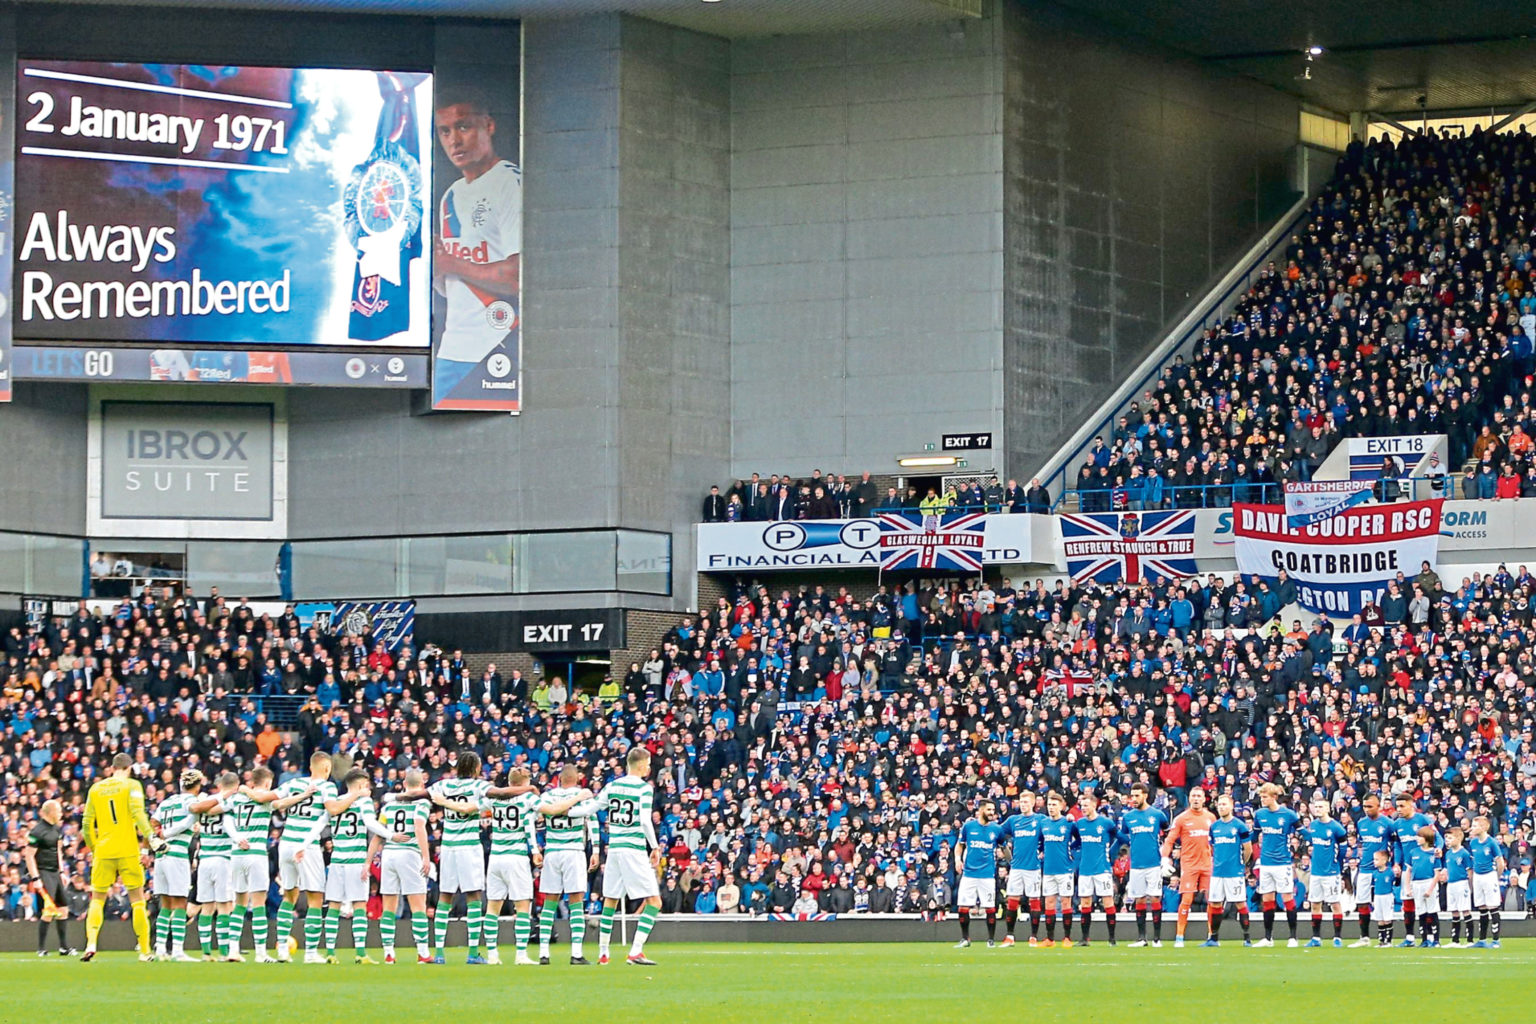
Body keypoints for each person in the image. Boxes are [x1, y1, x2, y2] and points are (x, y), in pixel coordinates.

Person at [431, 87, 522, 406]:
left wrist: (453, 265)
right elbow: (449, 283)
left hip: (496, 348)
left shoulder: (508, 182)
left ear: (489, 126)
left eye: (463, 127)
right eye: (444, 131)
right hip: (451, 350)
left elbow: (521, 276)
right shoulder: (451, 195)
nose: (454, 140)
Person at [274, 751, 362, 964]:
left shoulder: (295, 783)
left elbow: (276, 803)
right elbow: (332, 809)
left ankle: (282, 950)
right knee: (315, 898)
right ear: (326, 768)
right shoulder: (327, 786)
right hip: (306, 846)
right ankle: (311, 953)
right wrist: (354, 795)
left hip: (285, 842)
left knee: (289, 896)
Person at [80, 753, 159, 962]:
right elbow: (138, 814)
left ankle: (91, 943)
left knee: (97, 899)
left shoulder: (96, 789)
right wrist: (150, 838)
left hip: (104, 850)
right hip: (128, 849)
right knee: (138, 901)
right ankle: (144, 950)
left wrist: (94, 848)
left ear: (112, 768)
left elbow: (87, 825)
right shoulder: (132, 785)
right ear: (129, 768)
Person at [224, 766, 306, 963]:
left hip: (237, 854)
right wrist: (303, 795)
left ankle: (233, 949)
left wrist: (236, 838)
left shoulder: (236, 798)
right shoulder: (267, 799)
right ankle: (261, 952)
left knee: (240, 903)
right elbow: (284, 802)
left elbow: (225, 818)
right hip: (257, 853)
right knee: (259, 903)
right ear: (268, 783)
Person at [596, 746, 665, 965]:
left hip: (614, 848)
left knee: (610, 900)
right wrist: (654, 846)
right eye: (649, 763)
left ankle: (603, 953)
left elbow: (595, 805)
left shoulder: (612, 785)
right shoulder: (644, 788)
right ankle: (635, 951)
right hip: (633, 848)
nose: (650, 767)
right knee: (654, 901)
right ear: (642, 764)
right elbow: (645, 819)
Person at [428, 752, 493, 964]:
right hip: (468, 846)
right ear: (475, 768)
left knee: (445, 897)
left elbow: (421, 794)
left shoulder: (443, 786)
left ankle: (439, 953)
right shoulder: (479, 786)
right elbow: (497, 794)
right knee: (473, 897)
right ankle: (473, 953)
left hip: (447, 847)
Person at [323, 769, 394, 964]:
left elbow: (323, 825)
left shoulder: (336, 801)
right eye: (367, 784)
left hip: (337, 860)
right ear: (361, 784)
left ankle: (330, 952)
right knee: (359, 906)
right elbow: (371, 823)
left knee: (334, 906)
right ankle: (361, 953)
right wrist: (391, 835)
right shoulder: (363, 801)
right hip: (355, 861)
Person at [536, 765, 600, 965]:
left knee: (549, 903)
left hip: (553, 850)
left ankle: (544, 953)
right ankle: (576, 953)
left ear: (559, 779)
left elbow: (538, 817)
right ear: (577, 779)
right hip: (573, 851)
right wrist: (596, 850)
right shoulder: (583, 795)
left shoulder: (547, 797)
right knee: (576, 902)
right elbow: (592, 821)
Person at [480, 767, 543, 964]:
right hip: (516, 857)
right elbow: (536, 817)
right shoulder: (528, 799)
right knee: (522, 905)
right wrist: (534, 851)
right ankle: (521, 954)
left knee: (493, 906)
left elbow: (478, 808)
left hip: (496, 857)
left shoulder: (494, 799)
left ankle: (492, 954)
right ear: (525, 783)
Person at [372, 771, 434, 964]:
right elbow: (419, 826)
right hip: (409, 853)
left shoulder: (389, 805)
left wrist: (368, 861)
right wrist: (426, 856)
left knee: (389, 906)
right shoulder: (422, 802)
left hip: (389, 854)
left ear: (405, 783)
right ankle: (423, 953)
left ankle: (389, 953)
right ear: (422, 784)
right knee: (418, 906)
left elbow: (378, 834)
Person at [186, 772, 239, 961]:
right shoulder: (230, 803)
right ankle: (224, 952)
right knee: (224, 906)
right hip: (223, 858)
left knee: (207, 907)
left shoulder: (206, 801)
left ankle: (206, 952)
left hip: (204, 861)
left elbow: (201, 812)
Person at [150, 770, 201, 961]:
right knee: (180, 904)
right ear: (197, 786)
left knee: (166, 904)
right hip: (177, 855)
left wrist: (156, 835)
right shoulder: (190, 803)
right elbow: (191, 818)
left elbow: (153, 822)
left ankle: (161, 949)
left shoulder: (167, 802)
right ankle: (178, 950)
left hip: (161, 856)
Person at [1251, 782, 1300, 947]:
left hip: (1282, 863)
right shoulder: (1259, 814)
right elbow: (1254, 836)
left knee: (1287, 898)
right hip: (1265, 863)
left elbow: (1302, 832)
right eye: (1261, 797)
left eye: (1265, 797)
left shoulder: (1288, 814)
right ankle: (1268, 938)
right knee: (1267, 900)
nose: (1262, 800)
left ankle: (1293, 937)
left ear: (1274, 797)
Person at [1159, 784, 1208, 947]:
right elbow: (1170, 840)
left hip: (1207, 864)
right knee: (1186, 899)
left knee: (1212, 900)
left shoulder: (1211, 818)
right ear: (1189, 799)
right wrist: (1165, 858)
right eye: (1193, 796)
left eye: (1198, 796)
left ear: (1204, 799)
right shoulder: (1181, 818)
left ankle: (1211, 936)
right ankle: (1179, 937)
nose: (1196, 799)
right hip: (1189, 865)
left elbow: (1215, 842)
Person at [953, 799, 1004, 948]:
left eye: (993, 810)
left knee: (990, 908)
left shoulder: (996, 829)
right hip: (969, 874)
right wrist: (957, 860)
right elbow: (959, 845)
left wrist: (1011, 861)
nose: (992, 813)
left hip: (987, 875)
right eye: (989, 810)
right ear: (981, 810)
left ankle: (991, 940)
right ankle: (965, 938)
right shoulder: (968, 827)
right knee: (963, 907)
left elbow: (1004, 846)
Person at [997, 789, 1045, 946]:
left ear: (1032, 803)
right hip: (1016, 867)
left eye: (1025, 802)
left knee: (1034, 901)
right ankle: (1010, 936)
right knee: (1012, 901)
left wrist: (1043, 851)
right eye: (1020, 802)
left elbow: (1051, 835)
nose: (1023, 805)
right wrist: (1004, 846)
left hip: (1033, 867)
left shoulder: (1040, 820)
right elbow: (998, 832)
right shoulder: (1013, 820)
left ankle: (1033, 937)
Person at [25, 799, 72, 956]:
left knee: (63, 909)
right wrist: (36, 878)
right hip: (44, 872)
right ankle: (41, 948)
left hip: (55, 873)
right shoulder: (37, 832)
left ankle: (64, 947)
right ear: (50, 812)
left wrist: (61, 872)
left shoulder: (56, 830)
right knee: (48, 910)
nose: (60, 814)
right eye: (58, 811)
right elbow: (29, 856)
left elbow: (58, 851)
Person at [1071, 791, 1118, 946]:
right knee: (1085, 903)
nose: (1083, 808)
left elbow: (1117, 837)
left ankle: (1111, 938)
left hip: (1102, 869)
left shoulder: (1106, 823)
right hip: (1085, 870)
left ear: (1094, 805)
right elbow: (1077, 841)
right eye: (1081, 805)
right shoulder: (1080, 824)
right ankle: (1085, 938)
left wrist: (1111, 853)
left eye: (1086, 805)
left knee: (1108, 902)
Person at [1204, 793, 1252, 946]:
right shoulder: (1214, 827)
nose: (1221, 807)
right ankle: (1214, 938)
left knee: (1240, 903)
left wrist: (1241, 864)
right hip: (1218, 872)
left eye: (1224, 804)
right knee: (1216, 904)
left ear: (1231, 806)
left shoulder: (1239, 826)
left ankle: (1247, 938)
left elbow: (1248, 849)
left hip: (1234, 873)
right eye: (1219, 804)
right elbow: (1212, 848)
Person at [1392, 793, 1438, 948]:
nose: (1399, 809)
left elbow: (1438, 837)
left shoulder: (1423, 819)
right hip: (1408, 868)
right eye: (1397, 806)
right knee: (1408, 903)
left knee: (1427, 904)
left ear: (1411, 805)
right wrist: (1397, 863)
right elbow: (1397, 845)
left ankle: (1431, 937)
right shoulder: (1397, 823)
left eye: (1402, 806)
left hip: (1426, 869)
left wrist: (1438, 850)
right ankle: (1410, 937)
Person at [1350, 793, 1395, 946]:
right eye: (1365, 806)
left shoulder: (1388, 823)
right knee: (1362, 902)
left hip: (1381, 870)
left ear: (1378, 806)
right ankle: (1365, 937)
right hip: (1364, 869)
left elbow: (1394, 844)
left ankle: (1385, 939)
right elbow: (1362, 844)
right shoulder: (1361, 823)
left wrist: (1394, 863)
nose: (1367, 809)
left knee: (1382, 902)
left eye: (1370, 806)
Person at [1302, 798, 1347, 947]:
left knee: (1335, 903)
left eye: (1321, 807)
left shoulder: (1336, 828)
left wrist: (1336, 864)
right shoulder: (1313, 825)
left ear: (1328, 808)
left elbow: (1343, 850)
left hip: (1331, 873)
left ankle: (1338, 937)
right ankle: (1316, 938)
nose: (1318, 809)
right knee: (1315, 903)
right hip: (1316, 872)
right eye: (1316, 807)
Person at [1039, 791, 1076, 947]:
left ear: (1061, 806)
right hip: (1048, 870)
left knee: (1066, 903)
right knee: (1049, 904)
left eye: (1054, 805)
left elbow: (1079, 840)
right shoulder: (1044, 823)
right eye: (1049, 805)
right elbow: (1040, 841)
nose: (1051, 808)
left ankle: (1067, 937)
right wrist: (1040, 851)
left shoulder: (1068, 823)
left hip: (1064, 870)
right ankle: (1050, 939)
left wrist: (1070, 852)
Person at [1467, 815, 1506, 948]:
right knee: (1481, 907)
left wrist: (1496, 876)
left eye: (1475, 826)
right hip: (1478, 876)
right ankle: (1482, 939)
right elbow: (1473, 861)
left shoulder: (1491, 842)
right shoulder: (1473, 843)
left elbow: (1500, 862)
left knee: (1492, 906)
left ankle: (1496, 940)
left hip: (1489, 875)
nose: (1472, 828)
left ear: (1484, 827)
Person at [1405, 825, 1445, 947]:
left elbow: (1437, 873)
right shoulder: (1413, 852)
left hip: (1429, 882)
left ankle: (1436, 940)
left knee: (1432, 911)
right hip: (1416, 884)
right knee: (1421, 912)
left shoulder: (1434, 853)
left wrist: (1430, 888)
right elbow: (1408, 870)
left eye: (1420, 836)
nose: (1417, 839)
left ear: (1427, 838)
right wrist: (1408, 887)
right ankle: (1424, 940)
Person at [1442, 827, 1474, 948]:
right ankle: (1455, 940)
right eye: (1446, 838)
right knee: (1454, 911)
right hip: (1451, 884)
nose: (1447, 841)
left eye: (1450, 838)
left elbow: (1470, 871)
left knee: (1465, 910)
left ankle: (1470, 940)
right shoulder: (1448, 853)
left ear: (1458, 838)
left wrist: (1470, 887)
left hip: (1462, 883)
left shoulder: (1464, 853)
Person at [1366, 848, 1397, 947]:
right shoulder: (1374, 874)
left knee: (1387, 918)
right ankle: (1381, 940)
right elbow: (1372, 887)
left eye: (1376, 859)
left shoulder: (1390, 872)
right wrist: (1372, 900)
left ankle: (1388, 941)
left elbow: (1396, 883)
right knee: (1380, 919)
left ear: (1384, 860)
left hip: (1387, 896)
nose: (1374, 862)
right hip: (1377, 897)